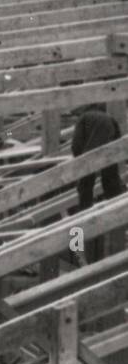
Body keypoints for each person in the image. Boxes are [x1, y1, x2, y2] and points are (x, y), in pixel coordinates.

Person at [72, 104, 125, 262]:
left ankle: (84, 211)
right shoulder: (107, 117)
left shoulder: (83, 119)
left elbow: (76, 144)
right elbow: (118, 137)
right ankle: (117, 202)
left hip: (93, 146)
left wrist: (77, 161)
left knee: (86, 181)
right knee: (110, 175)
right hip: (110, 139)